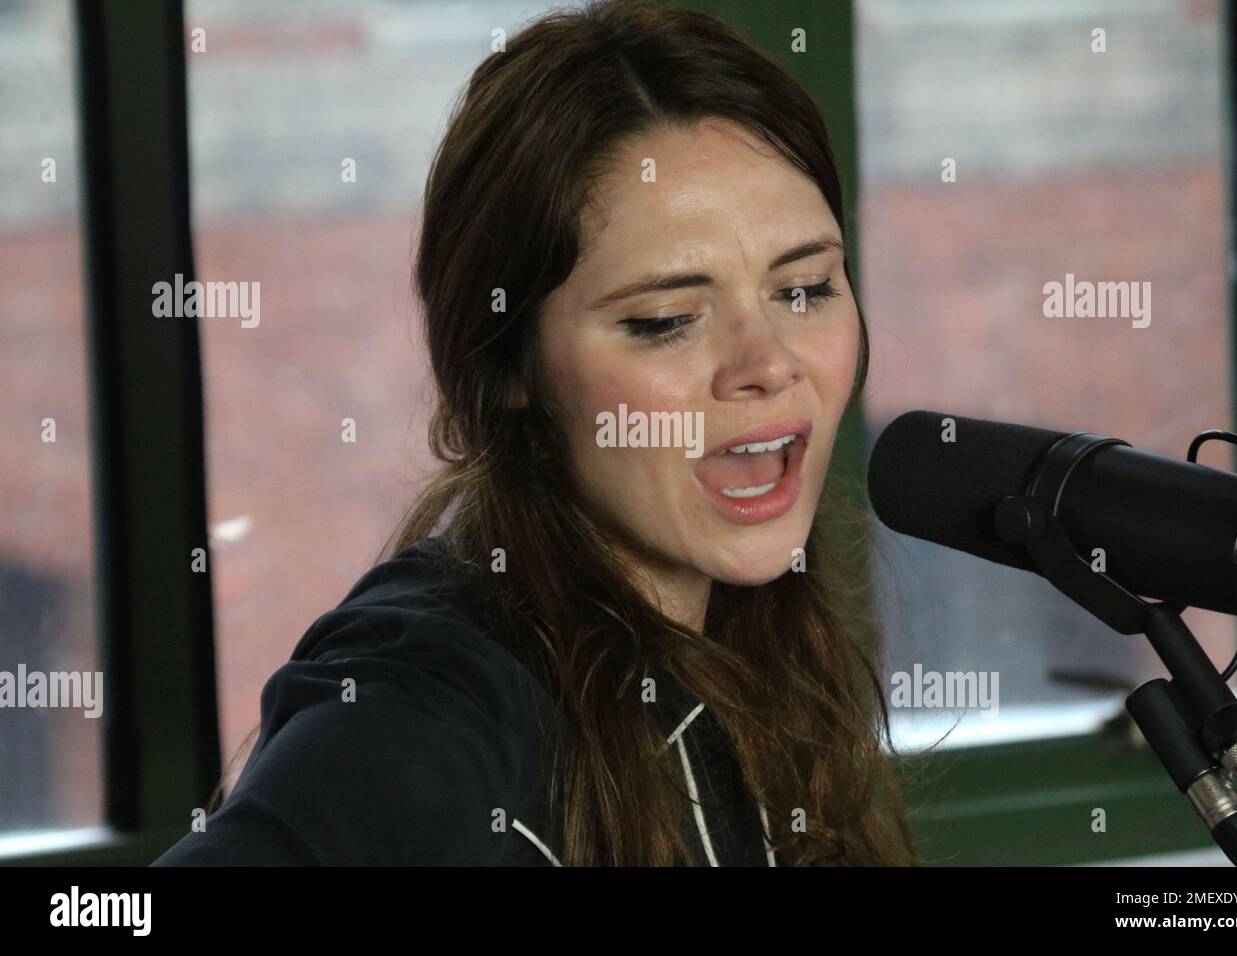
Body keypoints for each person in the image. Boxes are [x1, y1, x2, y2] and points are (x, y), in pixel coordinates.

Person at [154, 0, 916, 867]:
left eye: (805, 290)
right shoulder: (441, 694)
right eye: (667, 319)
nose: (768, 363)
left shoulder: (745, 638)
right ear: (506, 364)